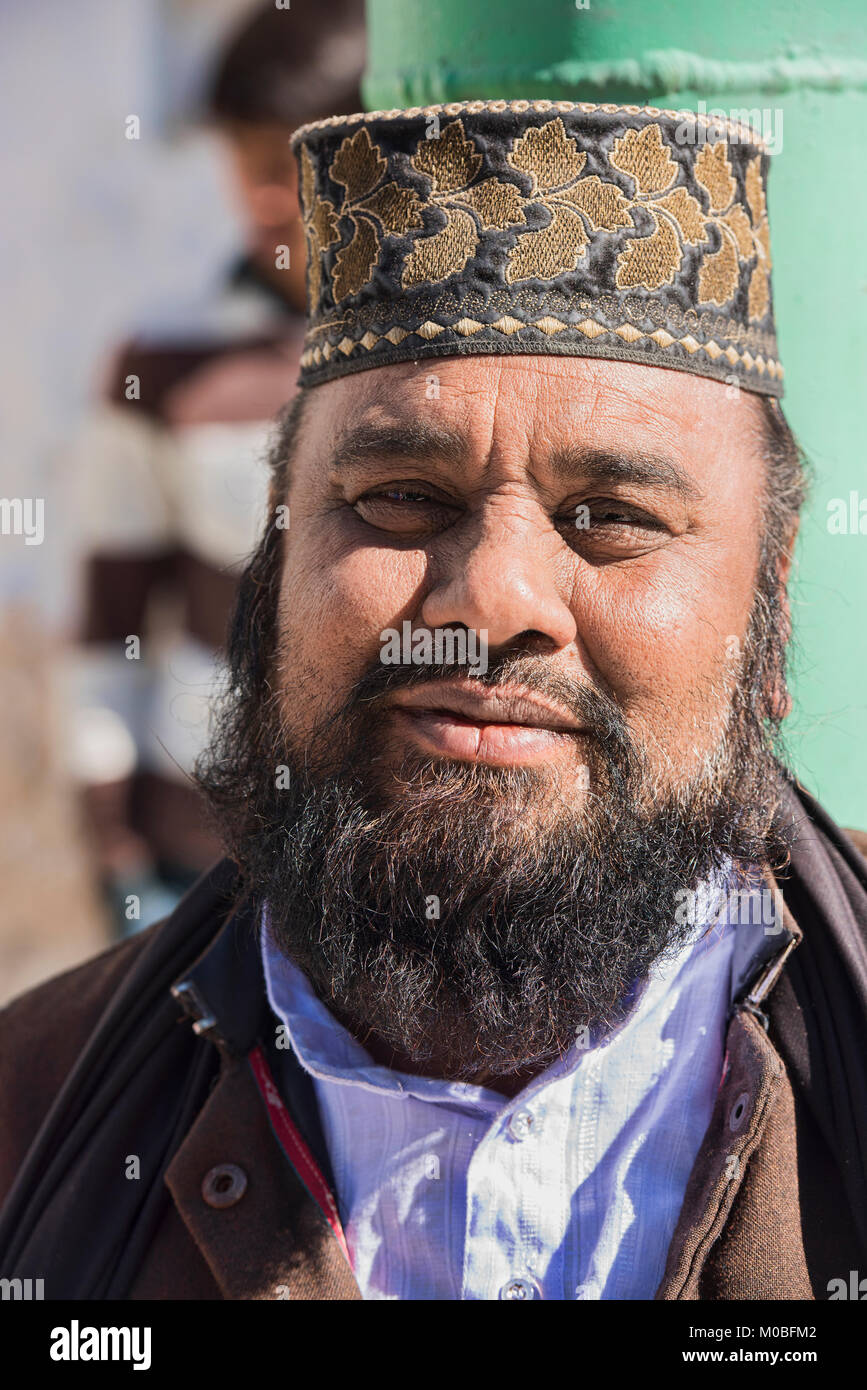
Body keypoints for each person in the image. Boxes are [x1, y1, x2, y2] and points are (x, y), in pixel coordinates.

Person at [3, 99, 867, 1300]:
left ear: (767, 609)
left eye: (610, 518)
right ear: (273, 570)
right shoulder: (29, 1112)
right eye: (401, 498)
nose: (493, 597)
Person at [67, 0, 364, 933]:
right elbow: (110, 613)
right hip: (193, 867)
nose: (263, 200)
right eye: (244, 163)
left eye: (292, 167)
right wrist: (112, 834)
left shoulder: (446, 366)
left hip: (374, 863)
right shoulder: (167, 360)